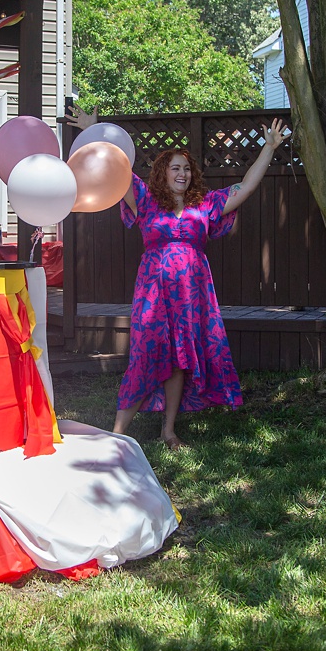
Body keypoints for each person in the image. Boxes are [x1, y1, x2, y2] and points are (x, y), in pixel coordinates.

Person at [113, 119, 287, 449]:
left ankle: (169, 431)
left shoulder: (205, 205)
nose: (183, 174)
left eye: (187, 169)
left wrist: (269, 148)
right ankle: (118, 434)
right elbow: (118, 166)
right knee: (145, 353)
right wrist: (95, 131)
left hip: (191, 296)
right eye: (176, 168)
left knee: (181, 358)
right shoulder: (145, 201)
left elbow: (246, 187)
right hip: (153, 292)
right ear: (163, 172)